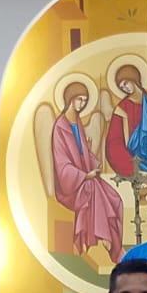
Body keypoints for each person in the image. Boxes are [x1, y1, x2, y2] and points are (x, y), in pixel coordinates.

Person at [50, 79, 124, 261]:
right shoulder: (60, 127)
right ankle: (105, 241)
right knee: (93, 191)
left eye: (84, 100)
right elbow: (62, 165)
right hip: (70, 186)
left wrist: (95, 163)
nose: (82, 104)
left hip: (85, 177)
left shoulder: (76, 122)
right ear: (70, 99)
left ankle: (114, 243)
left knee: (115, 198)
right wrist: (84, 175)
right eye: (79, 100)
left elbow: (83, 153)